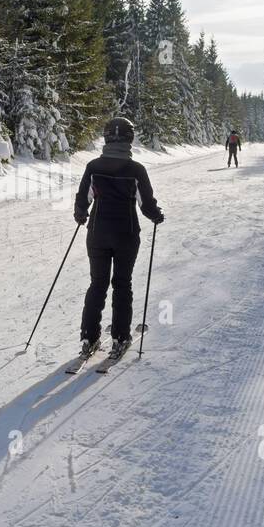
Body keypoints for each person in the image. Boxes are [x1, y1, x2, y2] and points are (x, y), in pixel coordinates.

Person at [73, 117, 164, 359]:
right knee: (122, 284)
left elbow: (83, 198)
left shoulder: (93, 167)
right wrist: (156, 216)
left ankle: (89, 337)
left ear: (106, 137)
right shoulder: (136, 170)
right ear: (129, 139)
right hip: (126, 234)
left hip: (97, 234)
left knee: (97, 283)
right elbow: (146, 205)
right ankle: (120, 338)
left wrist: (81, 214)